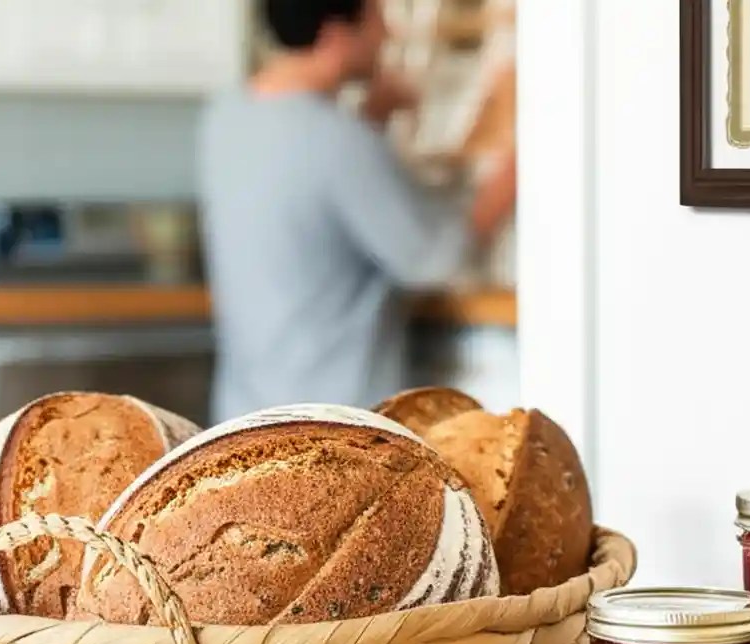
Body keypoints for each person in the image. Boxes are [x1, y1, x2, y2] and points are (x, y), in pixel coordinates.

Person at [198, 0, 516, 422]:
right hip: (332, 438)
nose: (389, 34)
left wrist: (371, 124)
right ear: (336, 32)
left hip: (246, 423)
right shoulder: (338, 142)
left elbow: (313, 201)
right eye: (376, 18)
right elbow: (437, 257)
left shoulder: (226, 116)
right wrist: (518, 164)